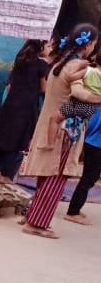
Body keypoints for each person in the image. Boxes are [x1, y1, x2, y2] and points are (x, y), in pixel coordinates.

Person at [20, 23, 98, 238]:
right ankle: (37, 223)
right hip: (66, 130)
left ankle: (32, 215)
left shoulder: (60, 62)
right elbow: (79, 94)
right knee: (57, 176)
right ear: (88, 44)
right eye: (94, 44)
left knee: (46, 173)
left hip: (50, 123)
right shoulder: (78, 66)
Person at [0, 39, 51, 182]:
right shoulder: (41, 64)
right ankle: (5, 175)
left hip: (10, 104)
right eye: (48, 45)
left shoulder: (20, 61)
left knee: (4, 136)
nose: (50, 49)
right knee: (17, 140)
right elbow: (44, 89)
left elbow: (10, 85)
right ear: (40, 47)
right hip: (26, 107)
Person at [63, 52, 101, 225]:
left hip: (91, 138)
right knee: (89, 177)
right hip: (95, 142)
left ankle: (75, 208)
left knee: (90, 176)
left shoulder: (90, 75)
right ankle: (73, 211)